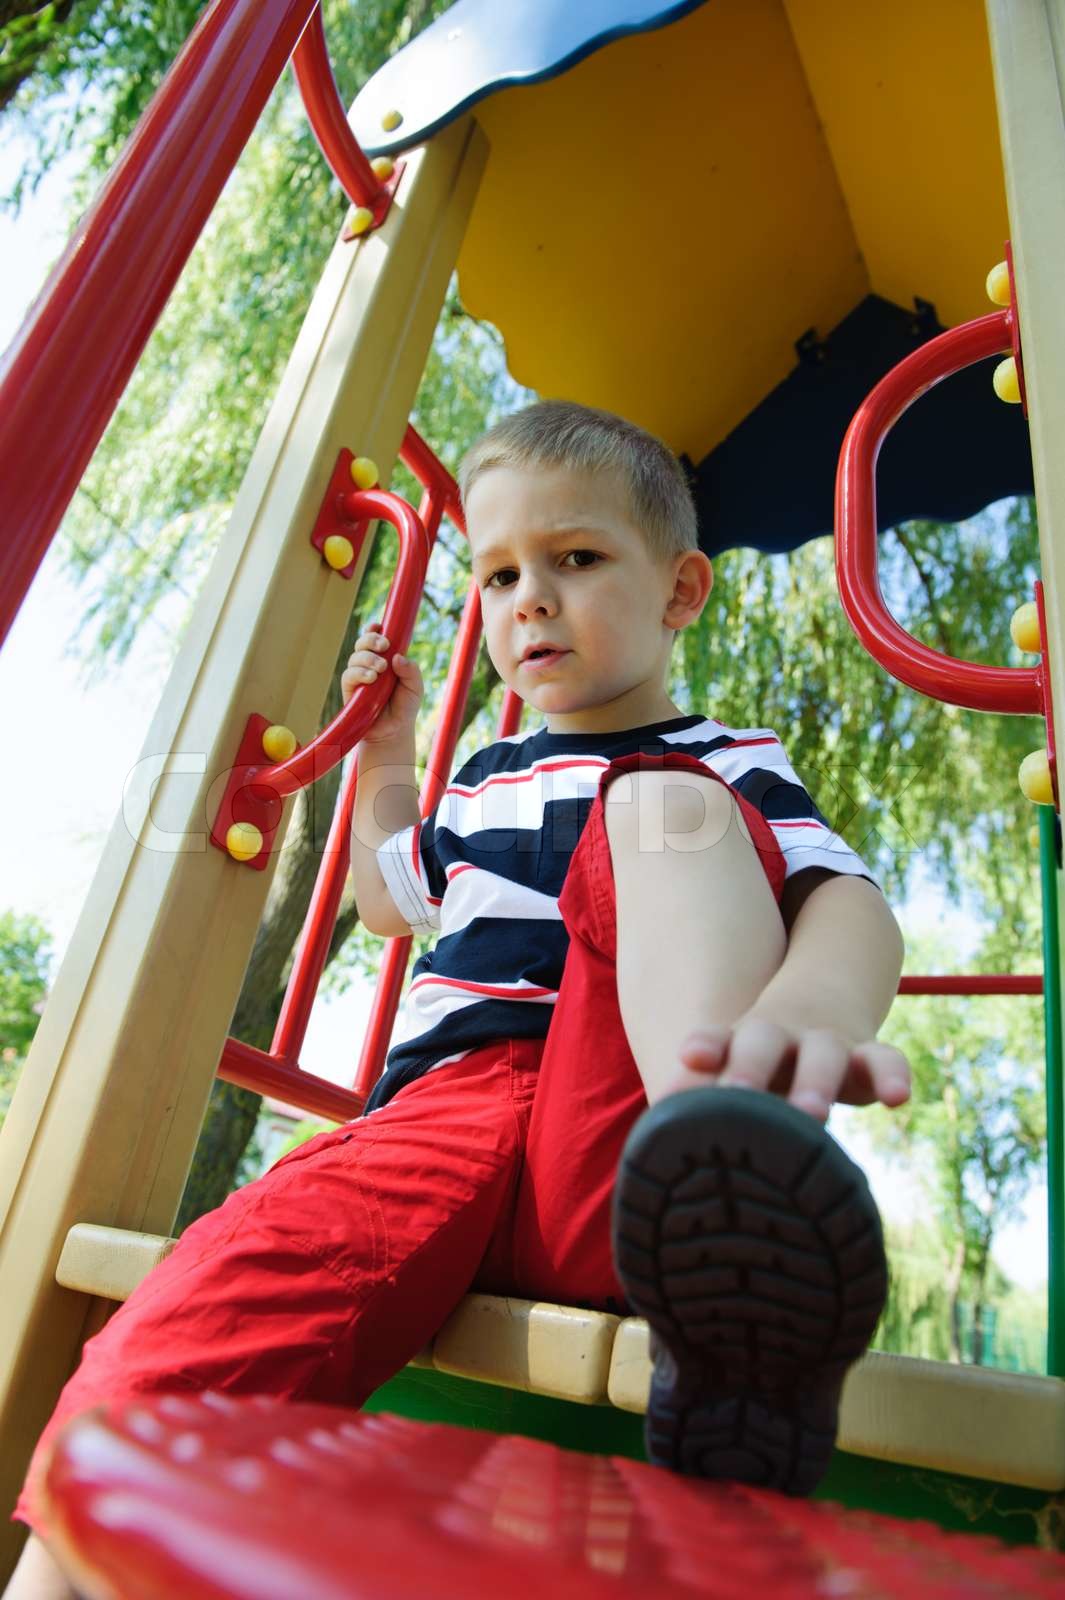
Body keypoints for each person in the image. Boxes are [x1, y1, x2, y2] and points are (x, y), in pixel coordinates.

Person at [7, 401, 908, 1598]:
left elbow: (849, 901)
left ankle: (725, 1162)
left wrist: (804, 1013)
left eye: (575, 559)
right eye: (495, 575)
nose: (528, 598)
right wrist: (390, 750)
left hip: (625, 1126)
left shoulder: (725, 759)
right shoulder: (487, 777)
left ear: (680, 589)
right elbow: (391, 897)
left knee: (658, 805)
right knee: (181, 1342)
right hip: (439, 1119)